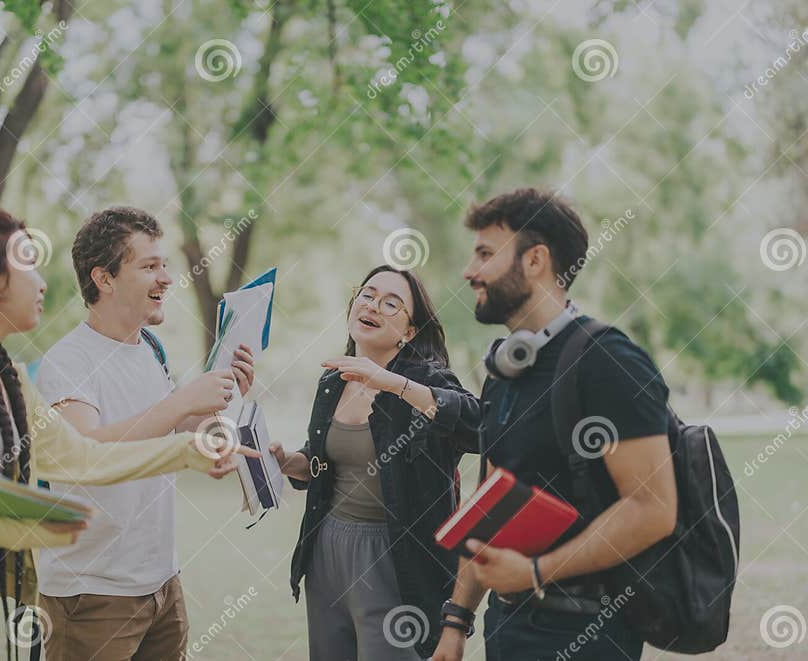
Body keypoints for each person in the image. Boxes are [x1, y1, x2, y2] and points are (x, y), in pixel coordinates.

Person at [0, 206, 253, 661]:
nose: (43, 283)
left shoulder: (3, 370)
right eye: (28, 266)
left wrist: (187, 450)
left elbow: (82, 456)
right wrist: (22, 524)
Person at [431, 188, 677, 661]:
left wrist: (536, 572)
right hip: (508, 627)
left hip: (588, 632)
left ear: (535, 260)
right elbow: (488, 509)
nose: (469, 270)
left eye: (485, 253)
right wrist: (456, 622)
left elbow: (653, 508)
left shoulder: (609, 361)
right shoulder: (504, 373)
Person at [35, 206, 256, 661]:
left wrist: (221, 399)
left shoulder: (151, 347)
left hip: (161, 584)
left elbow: (169, 428)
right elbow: (85, 451)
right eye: (149, 266)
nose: (166, 278)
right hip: (93, 594)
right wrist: (181, 400)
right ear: (105, 278)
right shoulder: (68, 361)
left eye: (165, 266)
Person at [270, 265, 483, 660]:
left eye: (391, 303)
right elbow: (323, 463)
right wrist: (287, 462)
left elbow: (477, 425)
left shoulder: (426, 380)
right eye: (367, 295)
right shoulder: (334, 379)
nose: (372, 306)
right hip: (327, 548)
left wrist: (391, 384)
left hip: (395, 557)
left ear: (410, 331)